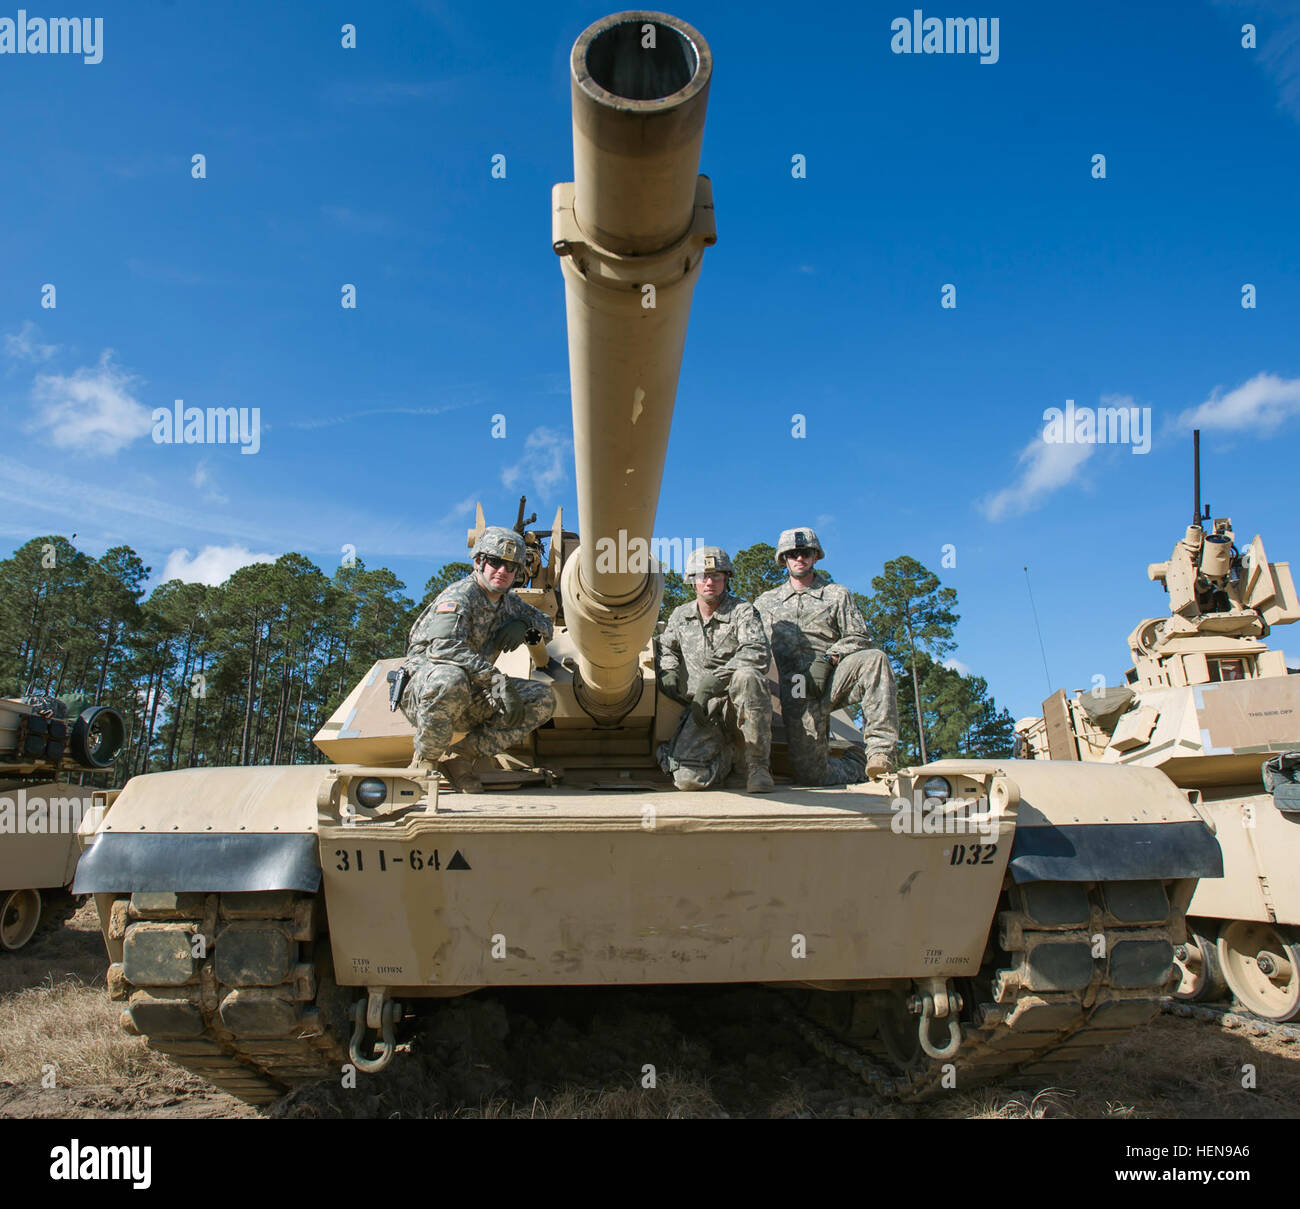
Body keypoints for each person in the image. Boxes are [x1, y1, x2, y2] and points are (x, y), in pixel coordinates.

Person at [401, 526, 556, 792]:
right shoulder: (459, 597)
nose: (502, 572)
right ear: (478, 562)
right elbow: (445, 649)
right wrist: (498, 681)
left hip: (473, 690)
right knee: (450, 678)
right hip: (427, 690)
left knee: (541, 698)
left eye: (511, 566)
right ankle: (425, 762)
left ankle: (460, 758)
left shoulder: (509, 603)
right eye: (495, 562)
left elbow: (546, 625)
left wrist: (522, 625)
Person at [755, 527, 898, 784]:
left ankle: (880, 752)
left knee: (874, 659)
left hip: (831, 678)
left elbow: (859, 637)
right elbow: (753, 644)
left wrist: (829, 658)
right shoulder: (765, 603)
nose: (800, 558)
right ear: (783, 559)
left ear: (816, 556)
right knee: (812, 775)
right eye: (793, 553)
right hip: (794, 690)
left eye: (806, 553)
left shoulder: (836, 595)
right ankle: (857, 762)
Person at [657, 546, 775, 794]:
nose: (709, 582)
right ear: (692, 580)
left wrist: (715, 681)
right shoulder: (680, 615)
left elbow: (757, 652)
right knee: (687, 781)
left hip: (736, 703)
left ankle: (757, 767)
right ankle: (732, 757)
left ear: (726, 579)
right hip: (703, 710)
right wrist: (668, 671)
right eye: (702, 576)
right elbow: (667, 648)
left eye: (716, 576)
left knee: (748, 677)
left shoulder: (742, 611)